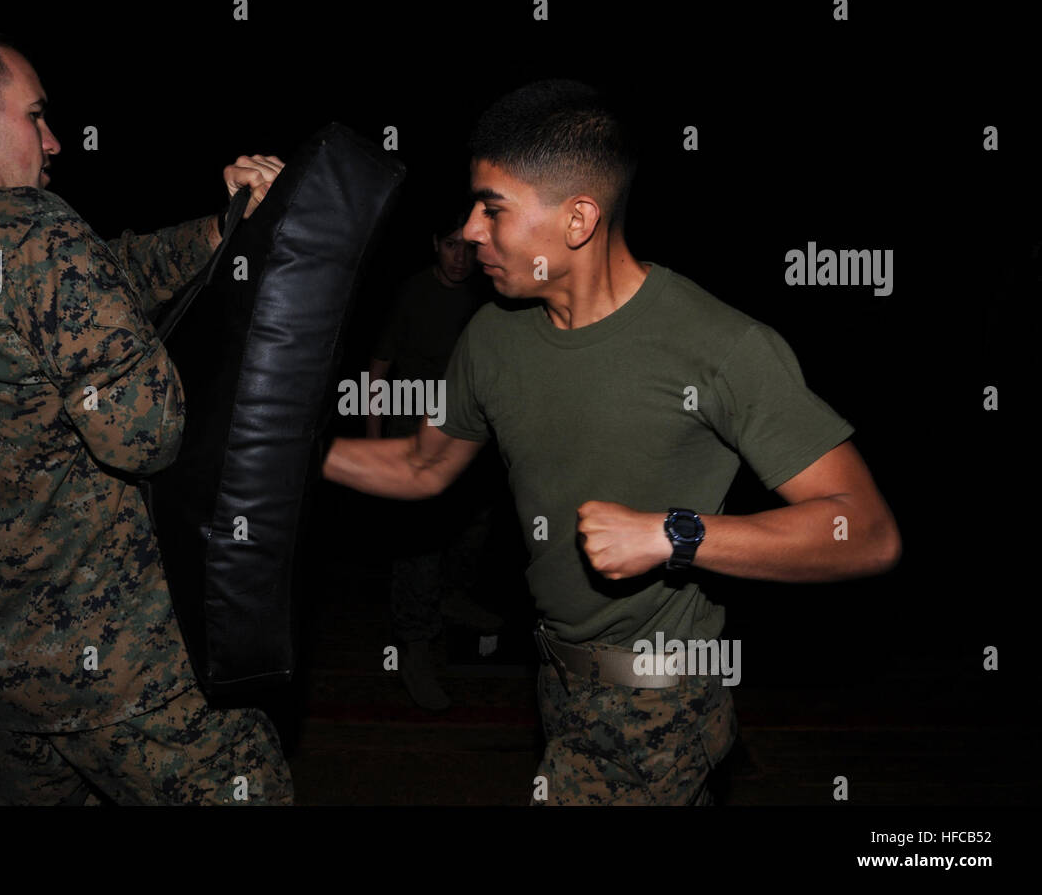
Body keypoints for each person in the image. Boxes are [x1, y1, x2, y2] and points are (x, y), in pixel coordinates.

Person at [323, 79, 902, 805]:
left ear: (577, 220)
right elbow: (422, 462)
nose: (470, 230)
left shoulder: (719, 346)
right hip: (557, 687)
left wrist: (673, 534)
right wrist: (294, 447)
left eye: (492, 208)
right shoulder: (493, 337)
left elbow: (867, 531)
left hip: (663, 703)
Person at [0, 22, 293, 805]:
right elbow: (147, 431)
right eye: (35, 115)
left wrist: (222, 228)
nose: (55, 139)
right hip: (117, 675)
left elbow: (112, 272)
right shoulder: (38, 231)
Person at [366, 206, 503, 710]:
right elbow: (377, 370)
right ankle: (414, 649)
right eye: (450, 245)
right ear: (434, 245)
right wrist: (377, 444)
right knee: (418, 547)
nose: (461, 257)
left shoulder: (487, 292)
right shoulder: (412, 293)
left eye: (468, 247)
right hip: (413, 438)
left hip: (470, 437)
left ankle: (452, 596)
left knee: (472, 528)